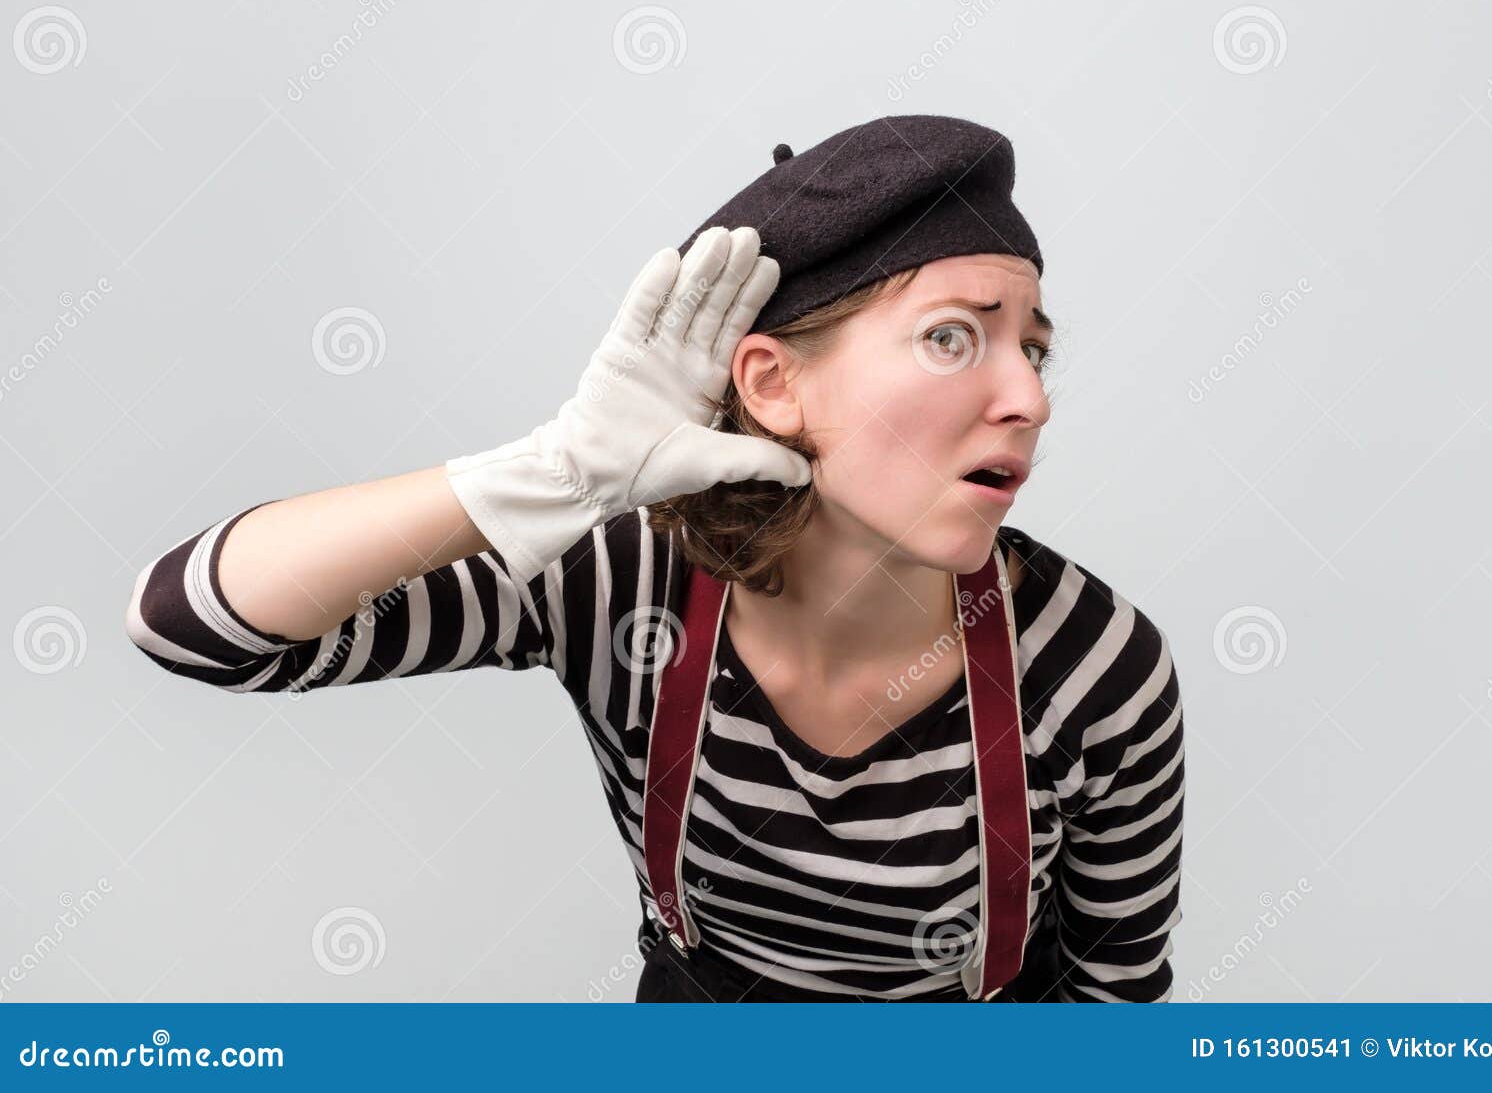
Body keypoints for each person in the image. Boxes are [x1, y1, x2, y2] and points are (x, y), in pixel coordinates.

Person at [125, 115, 1185, 1002]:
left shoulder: (1099, 667)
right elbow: (199, 627)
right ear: (773, 386)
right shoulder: (615, 582)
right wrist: (550, 472)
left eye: (1033, 346)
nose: (1029, 398)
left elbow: (1113, 1008)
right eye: (955, 336)